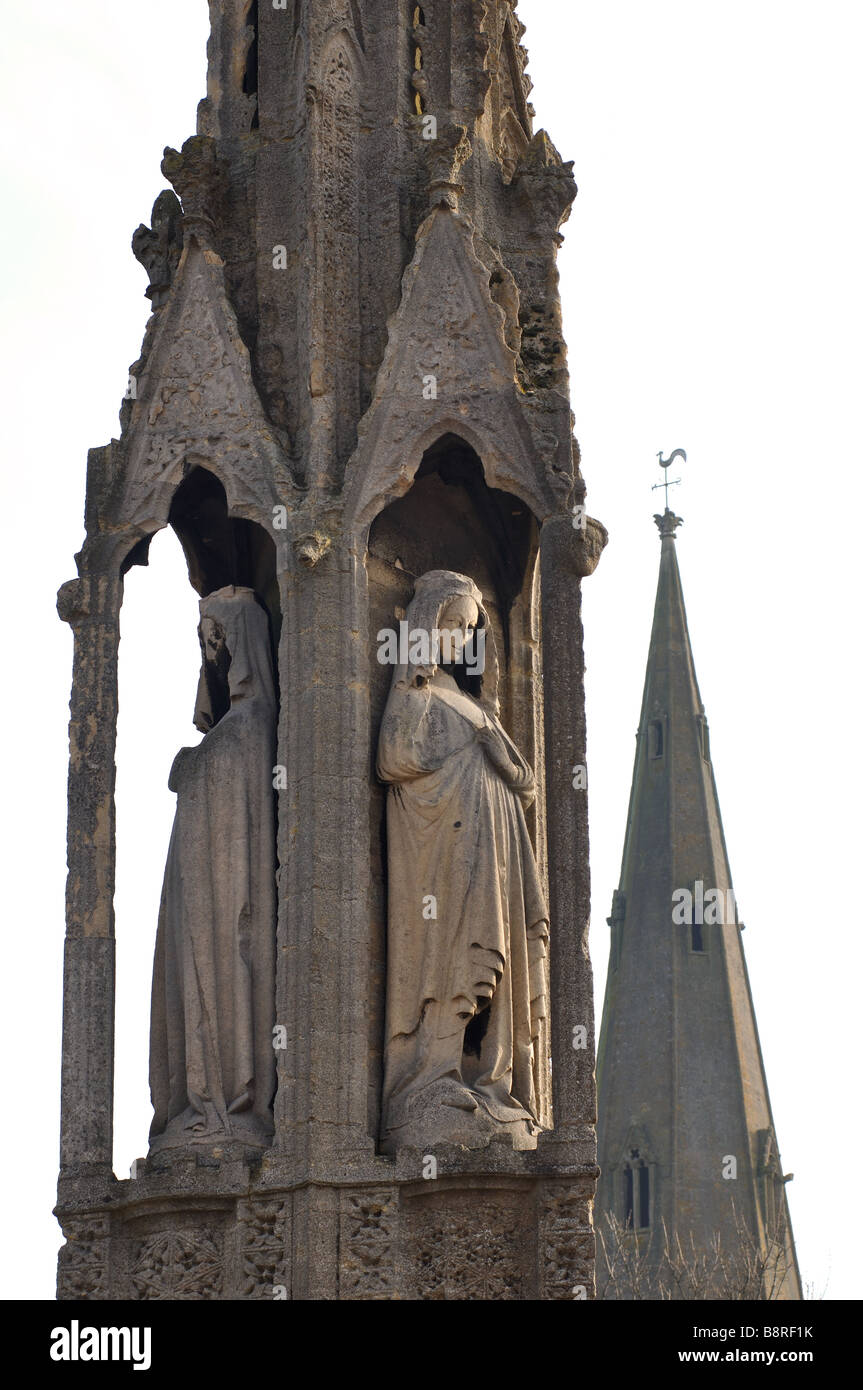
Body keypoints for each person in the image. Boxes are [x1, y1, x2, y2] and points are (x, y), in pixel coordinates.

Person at [377, 569, 549, 1151]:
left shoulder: (478, 706)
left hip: (497, 854)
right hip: (444, 851)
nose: (460, 637)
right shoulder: (418, 695)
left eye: (470, 629)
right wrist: (466, 758)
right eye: (452, 625)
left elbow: (525, 783)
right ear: (427, 627)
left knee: (498, 961)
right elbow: (394, 759)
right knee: (455, 961)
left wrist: (492, 752)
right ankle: (435, 1077)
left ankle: (495, 1085)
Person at [149, 586, 277, 1151]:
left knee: (224, 970)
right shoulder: (230, 731)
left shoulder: (250, 725)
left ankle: (225, 1104)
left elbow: (224, 793)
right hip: (200, 883)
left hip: (227, 892)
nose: (213, 656)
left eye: (219, 641)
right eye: (206, 645)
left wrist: (191, 771)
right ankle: (200, 1103)